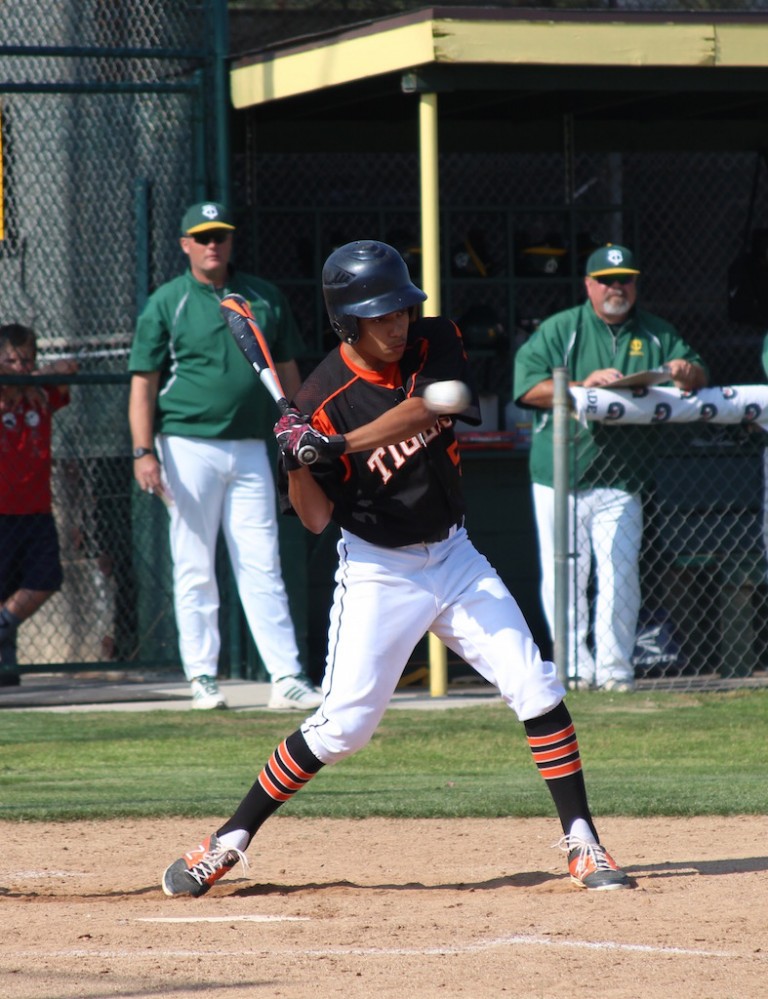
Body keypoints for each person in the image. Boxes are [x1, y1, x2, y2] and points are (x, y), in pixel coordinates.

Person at [160, 239, 630, 897]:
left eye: (401, 309)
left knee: (536, 685)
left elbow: (429, 406)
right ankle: (227, 842)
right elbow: (315, 518)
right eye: (380, 316)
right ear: (347, 322)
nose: (398, 323)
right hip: (380, 570)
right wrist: (297, 459)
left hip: (456, 556)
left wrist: (335, 443)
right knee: (342, 728)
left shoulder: (436, 340)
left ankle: (583, 841)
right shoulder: (321, 397)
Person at [128, 201, 322, 712]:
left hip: (252, 444)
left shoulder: (263, 296)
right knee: (194, 563)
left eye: (220, 235)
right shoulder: (168, 301)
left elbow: (287, 369)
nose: (212, 244)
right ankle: (202, 676)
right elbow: (143, 383)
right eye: (202, 236)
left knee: (263, 563)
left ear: (231, 240)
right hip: (185, 444)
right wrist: (143, 451)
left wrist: (295, 427)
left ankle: (286, 675)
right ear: (185, 244)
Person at [513, 243, 708, 692]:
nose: (616, 288)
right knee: (565, 576)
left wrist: (685, 371)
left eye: (625, 280)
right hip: (559, 476)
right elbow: (527, 388)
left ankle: (615, 671)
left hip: (622, 477)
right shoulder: (563, 328)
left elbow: (699, 373)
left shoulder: (656, 333)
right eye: (606, 281)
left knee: (620, 575)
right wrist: (584, 385)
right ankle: (574, 670)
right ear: (589, 285)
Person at [0, 323, 78, 686]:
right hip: (2, 511)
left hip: (36, 509)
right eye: (11, 361)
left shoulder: (40, 394)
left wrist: (33, 377)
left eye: (26, 360)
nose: (20, 367)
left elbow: (69, 369)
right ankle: (6, 668)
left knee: (45, 578)